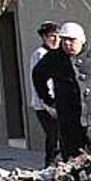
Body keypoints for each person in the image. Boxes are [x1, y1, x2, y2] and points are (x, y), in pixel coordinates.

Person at [32, 21, 91, 161]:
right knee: (72, 162)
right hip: (69, 121)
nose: (67, 44)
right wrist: (48, 101)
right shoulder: (54, 58)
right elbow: (38, 76)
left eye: (72, 40)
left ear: (81, 40)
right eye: (64, 40)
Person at [28, 22, 61, 165]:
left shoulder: (57, 53)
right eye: (51, 37)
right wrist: (49, 104)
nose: (55, 40)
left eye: (57, 36)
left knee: (59, 137)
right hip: (45, 104)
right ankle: (50, 165)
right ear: (44, 37)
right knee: (54, 137)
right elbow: (40, 81)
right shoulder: (41, 54)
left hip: (57, 102)